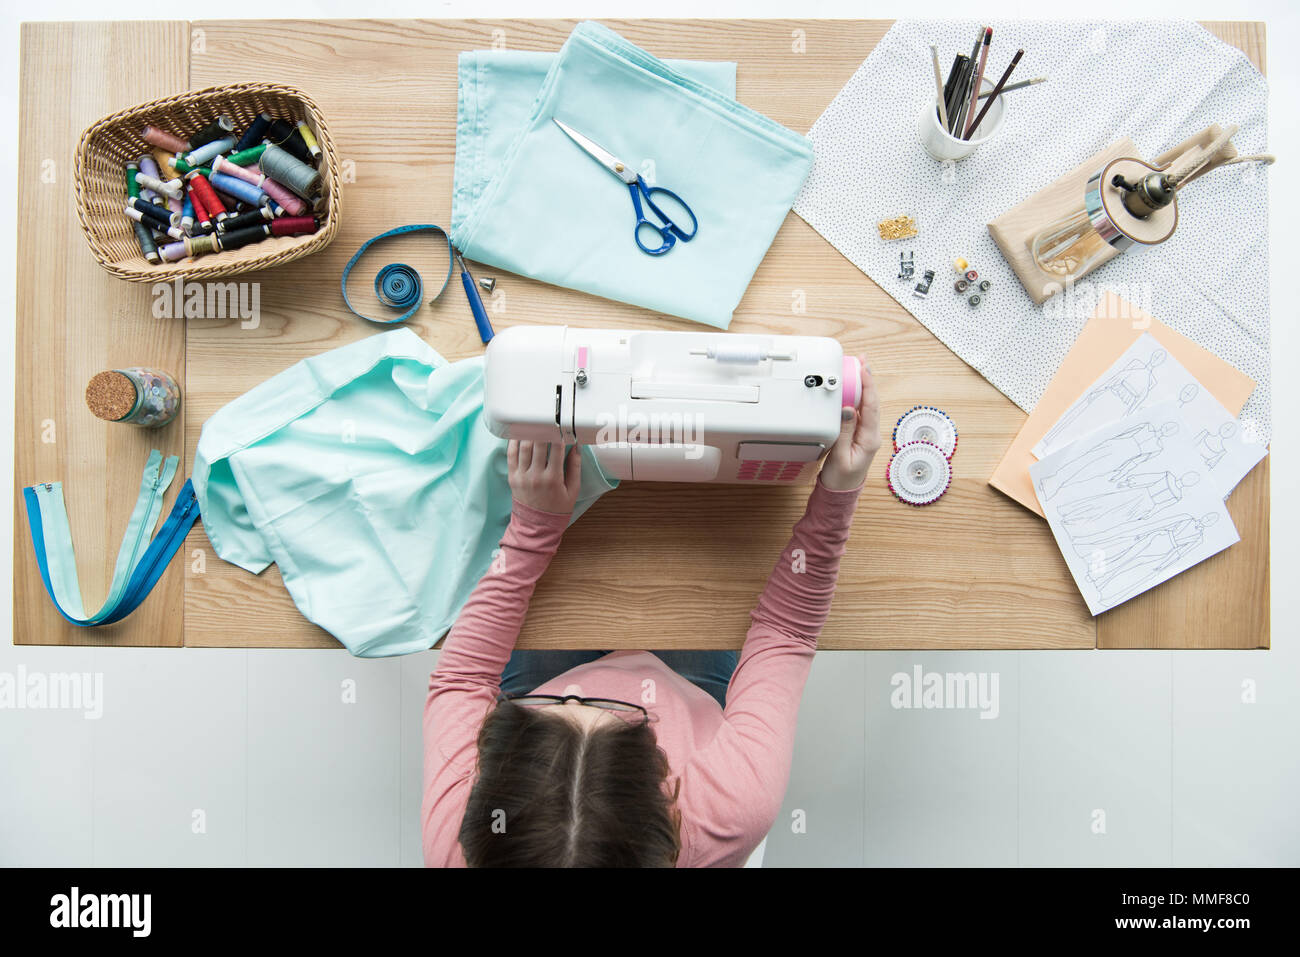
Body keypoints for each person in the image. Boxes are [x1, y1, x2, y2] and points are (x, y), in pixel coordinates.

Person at [422, 358, 879, 867]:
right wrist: (840, 489)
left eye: (562, 707)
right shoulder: (730, 807)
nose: (586, 697)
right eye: (620, 716)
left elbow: (463, 680)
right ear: (668, 803)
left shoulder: (456, 842)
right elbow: (786, 631)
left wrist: (533, 529)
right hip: (688, 698)